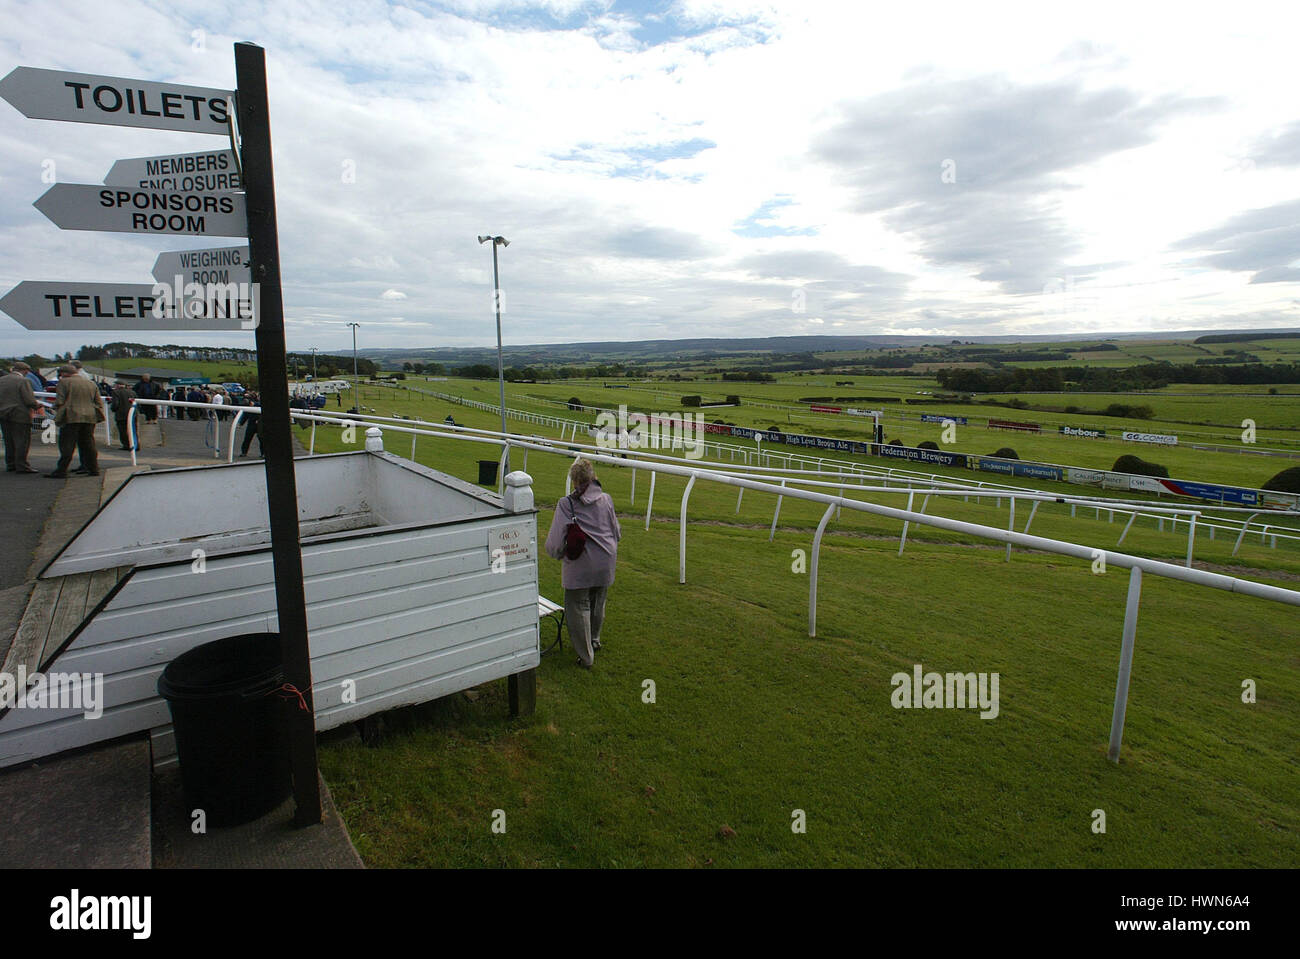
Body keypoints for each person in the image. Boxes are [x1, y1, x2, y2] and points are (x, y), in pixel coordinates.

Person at [543, 458, 621, 668]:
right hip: (606, 560)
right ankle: (594, 640)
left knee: (578, 606)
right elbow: (617, 532)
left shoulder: (566, 503)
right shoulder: (606, 499)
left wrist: (556, 553)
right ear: (593, 476)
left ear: (574, 480)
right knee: (598, 602)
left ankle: (586, 657)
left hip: (581, 565)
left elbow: (555, 542)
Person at [47, 364, 103, 478]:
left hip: (71, 416)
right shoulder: (90, 383)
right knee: (88, 443)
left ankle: (61, 470)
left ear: (63, 373)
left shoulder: (64, 383)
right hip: (89, 416)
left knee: (67, 444)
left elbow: (60, 401)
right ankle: (93, 469)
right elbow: (98, 402)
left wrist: (54, 408)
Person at [0, 362, 42, 473]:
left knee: (8, 440)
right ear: (26, 371)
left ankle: (10, 463)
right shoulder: (23, 381)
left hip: (3, 414)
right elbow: (28, 400)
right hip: (19, 415)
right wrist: (37, 405)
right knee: (21, 441)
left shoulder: (2, 380)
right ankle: (22, 465)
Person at [110, 380, 138, 450]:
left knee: (123, 431)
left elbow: (115, 404)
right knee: (133, 430)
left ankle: (127, 445)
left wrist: (113, 409)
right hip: (132, 414)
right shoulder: (132, 392)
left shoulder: (116, 392)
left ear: (118, 385)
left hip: (121, 414)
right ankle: (135, 444)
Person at [240, 391, 262, 457]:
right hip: (251, 423)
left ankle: (263, 453)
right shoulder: (250, 404)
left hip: (260, 424)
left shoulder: (257, 404)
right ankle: (244, 452)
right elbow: (246, 414)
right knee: (247, 438)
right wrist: (241, 423)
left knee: (262, 439)